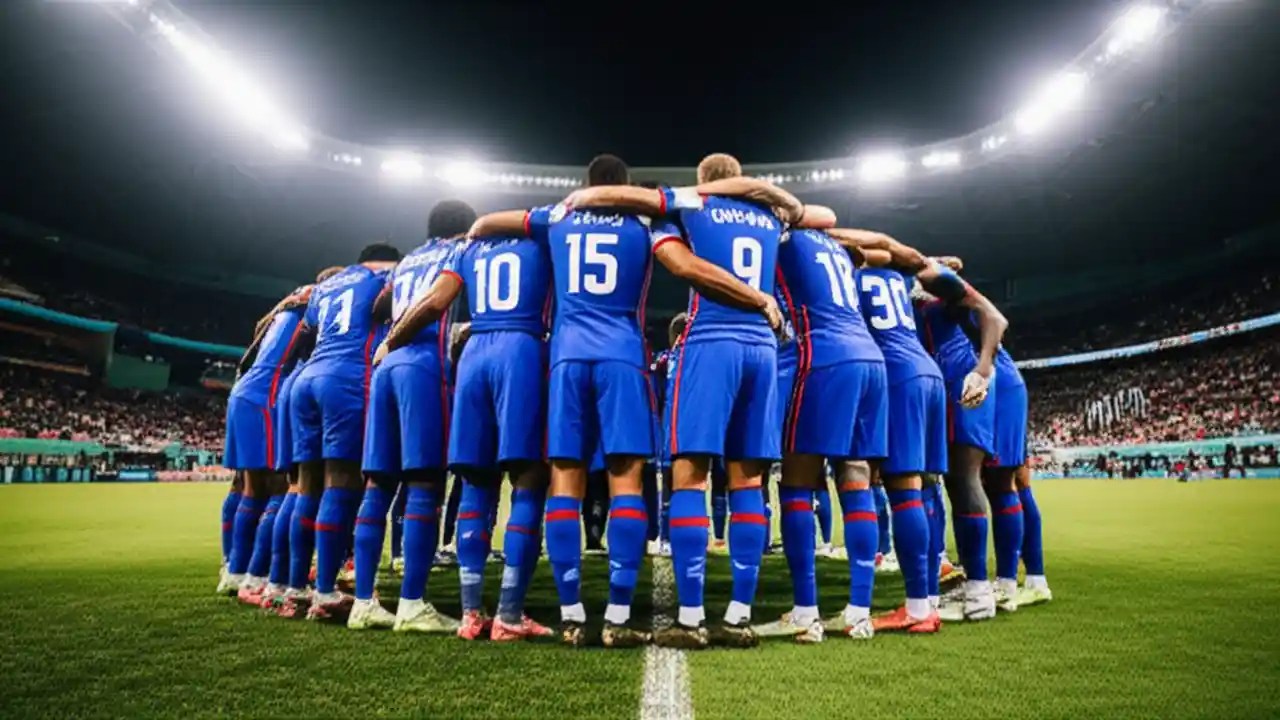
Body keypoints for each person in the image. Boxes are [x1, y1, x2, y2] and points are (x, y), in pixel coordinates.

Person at [379, 199, 554, 641]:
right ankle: (510, 615)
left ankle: (472, 614)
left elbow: (435, 300)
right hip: (521, 349)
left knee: (476, 483)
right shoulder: (543, 241)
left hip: (473, 356)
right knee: (529, 479)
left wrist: (391, 340)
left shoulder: (468, 250)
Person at [753, 227, 891, 643]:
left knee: (797, 481)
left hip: (823, 356)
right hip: (871, 358)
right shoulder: (840, 249)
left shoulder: (781, 239)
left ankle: (806, 612)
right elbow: (883, 251)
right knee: (856, 481)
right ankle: (858, 614)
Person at [278, 242, 402, 621]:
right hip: (347, 378)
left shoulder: (329, 285)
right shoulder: (385, 277)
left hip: (307, 380)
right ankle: (328, 592)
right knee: (341, 483)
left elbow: (311, 328)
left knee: (307, 485)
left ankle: (295, 589)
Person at [911, 256, 1009, 623]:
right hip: (935, 385)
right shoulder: (912, 301)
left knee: (964, 477)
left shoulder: (943, 290)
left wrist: (982, 369)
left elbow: (996, 318)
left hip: (965, 380)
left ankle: (979, 590)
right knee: (934, 479)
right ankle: (954, 583)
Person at [856, 253, 949, 633]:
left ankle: (916, 608)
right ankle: (928, 599)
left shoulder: (853, 280)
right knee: (925, 488)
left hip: (897, 375)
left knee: (904, 490)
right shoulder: (896, 280)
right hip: (929, 371)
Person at [217, 283, 311, 598]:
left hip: (243, 389)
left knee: (244, 486)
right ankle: (257, 575)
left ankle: (233, 568)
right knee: (277, 486)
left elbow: (258, 329)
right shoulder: (317, 305)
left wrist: (284, 302)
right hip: (266, 395)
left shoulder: (284, 311)